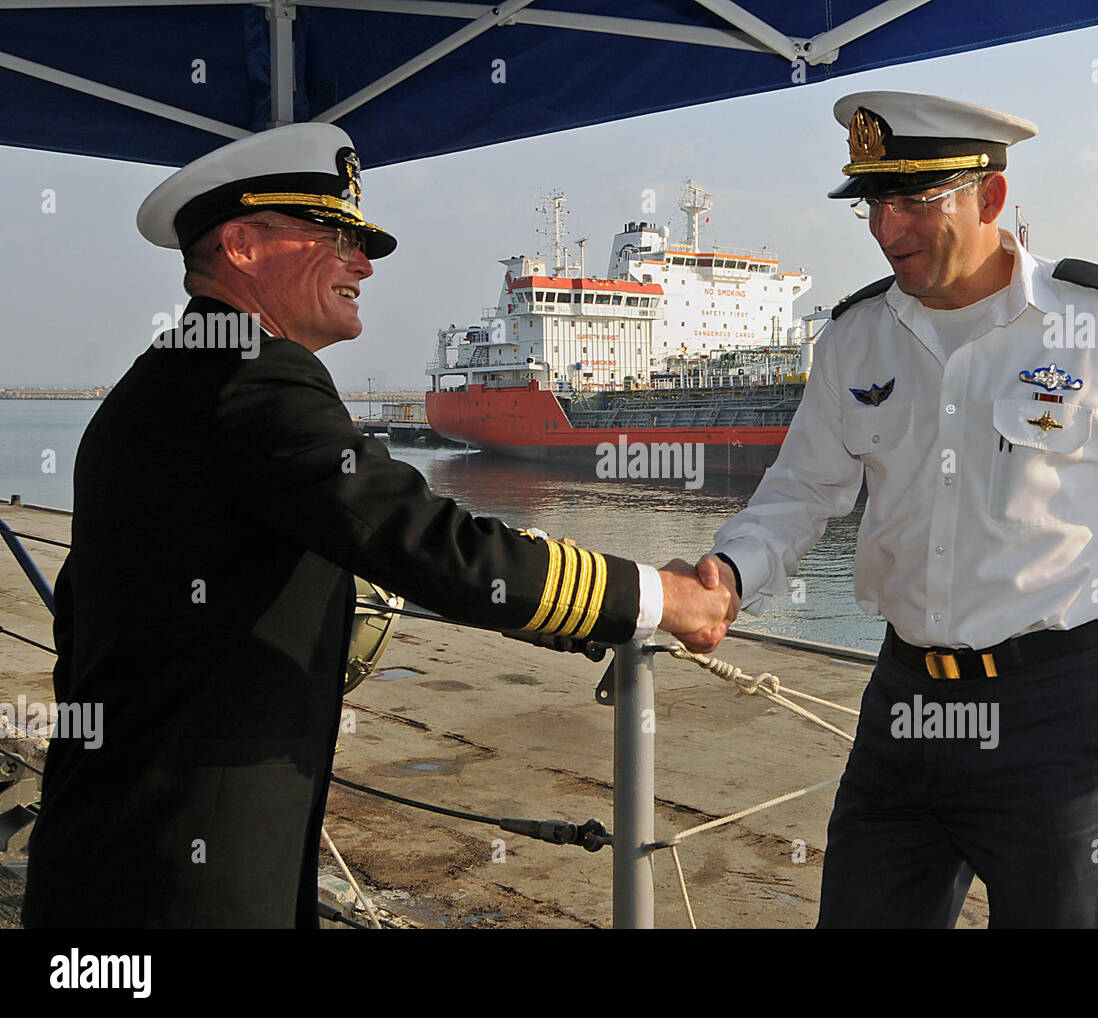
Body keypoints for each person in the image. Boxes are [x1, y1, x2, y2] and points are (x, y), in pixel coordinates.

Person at [22, 123, 734, 929]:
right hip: (189, 863)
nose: (363, 264)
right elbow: (424, 539)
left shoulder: (160, 380)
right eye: (335, 236)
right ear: (244, 246)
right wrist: (653, 598)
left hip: (117, 835)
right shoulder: (254, 380)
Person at [694, 91, 1098, 928]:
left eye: (914, 203)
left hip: (1052, 715)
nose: (888, 231)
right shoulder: (856, 336)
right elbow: (802, 489)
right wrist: (730, 571)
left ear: (990, 198)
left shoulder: (1097, 324)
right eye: (875, 205)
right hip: (903, 704)